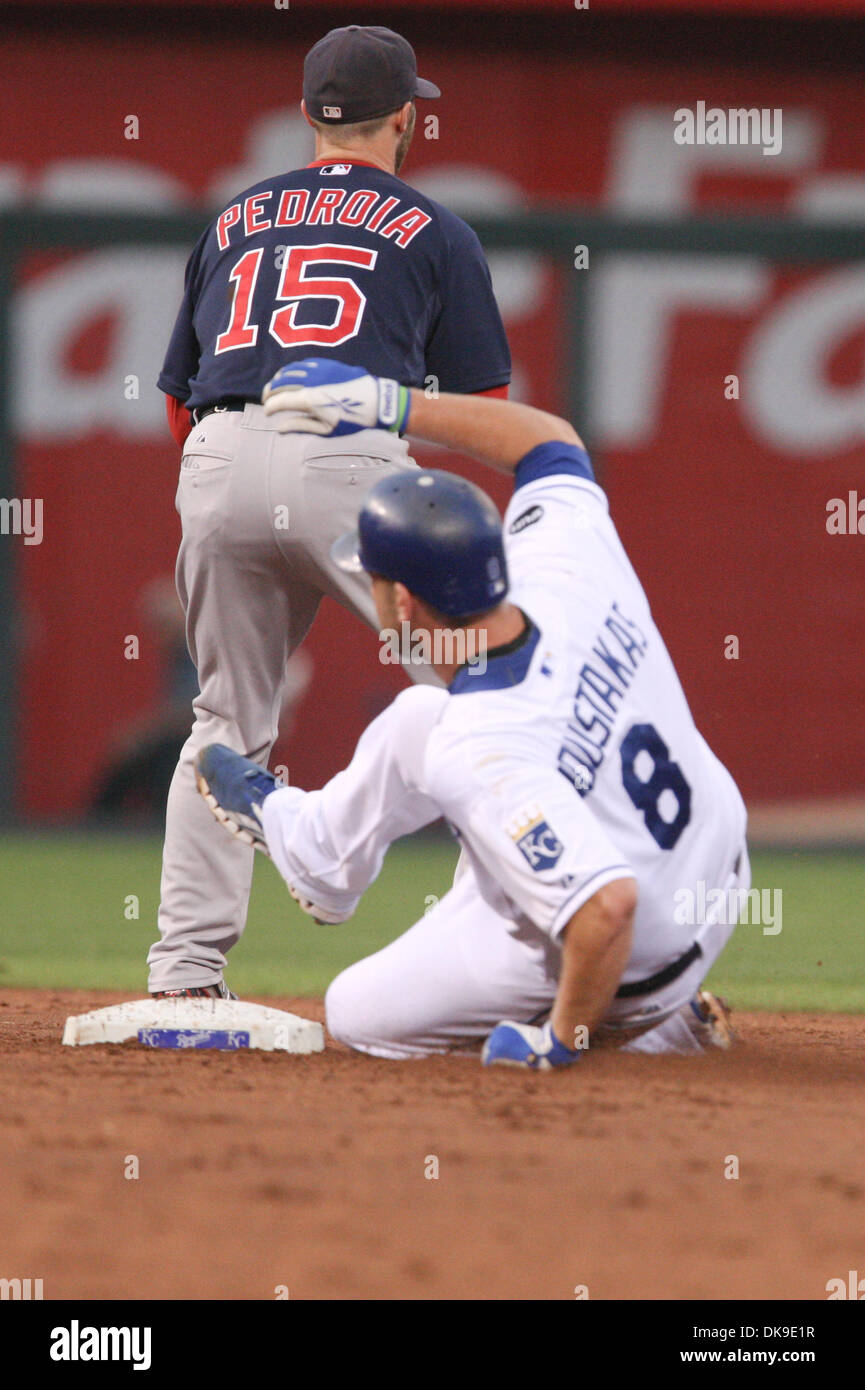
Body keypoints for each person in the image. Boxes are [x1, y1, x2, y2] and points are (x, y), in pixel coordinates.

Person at [193, 358, 749, 1068]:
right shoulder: (562, 559)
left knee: (357, 1012)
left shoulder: (483, 741)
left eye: (374, 576)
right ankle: (316, 851)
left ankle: (656, 1030)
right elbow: (549, 442)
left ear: (404, 604)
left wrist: (559, 1042)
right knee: (417, 714)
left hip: (640, 954)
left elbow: (606, 909)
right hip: (716, 869)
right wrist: (387, 403)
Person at [148, 25, 511, 998]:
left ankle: (182, 978)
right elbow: (487, 410)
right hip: (348, 459)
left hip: (218, 453)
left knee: (223, 719)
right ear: (407, 119)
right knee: (494, 698)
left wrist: (227, 483)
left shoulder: (230, 220)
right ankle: (532, 952)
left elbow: (179, 393)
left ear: (308, 114)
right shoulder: (434, 227)